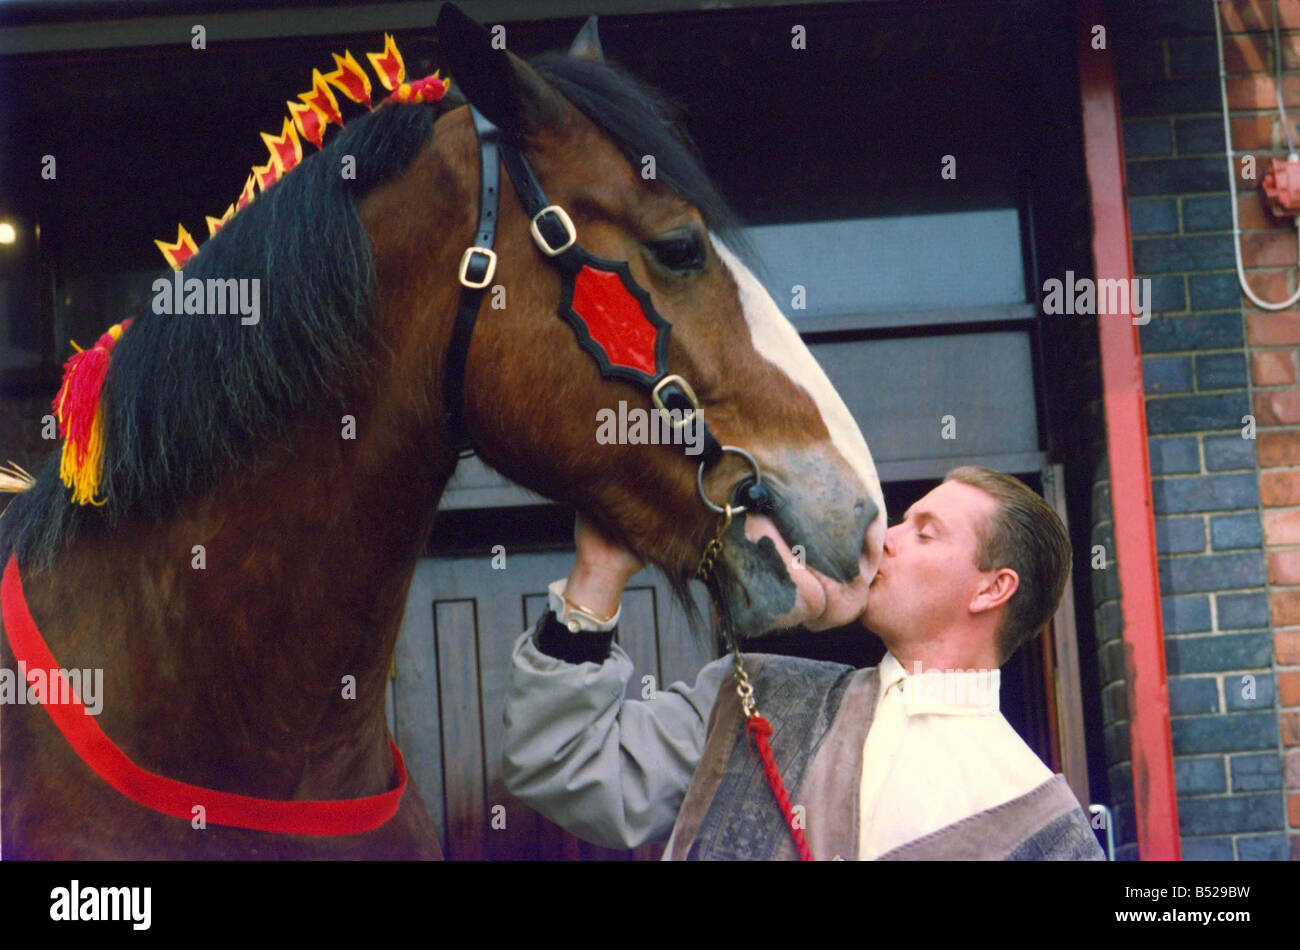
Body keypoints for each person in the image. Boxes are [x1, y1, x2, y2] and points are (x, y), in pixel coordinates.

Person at [501, 466, 1105, 860]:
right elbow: (563, 761)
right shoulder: (756, 698)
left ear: (991, 590)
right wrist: (600, 572)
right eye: (902, 520)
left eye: (925, 532)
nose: (885, 538)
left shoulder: (1051, 835)